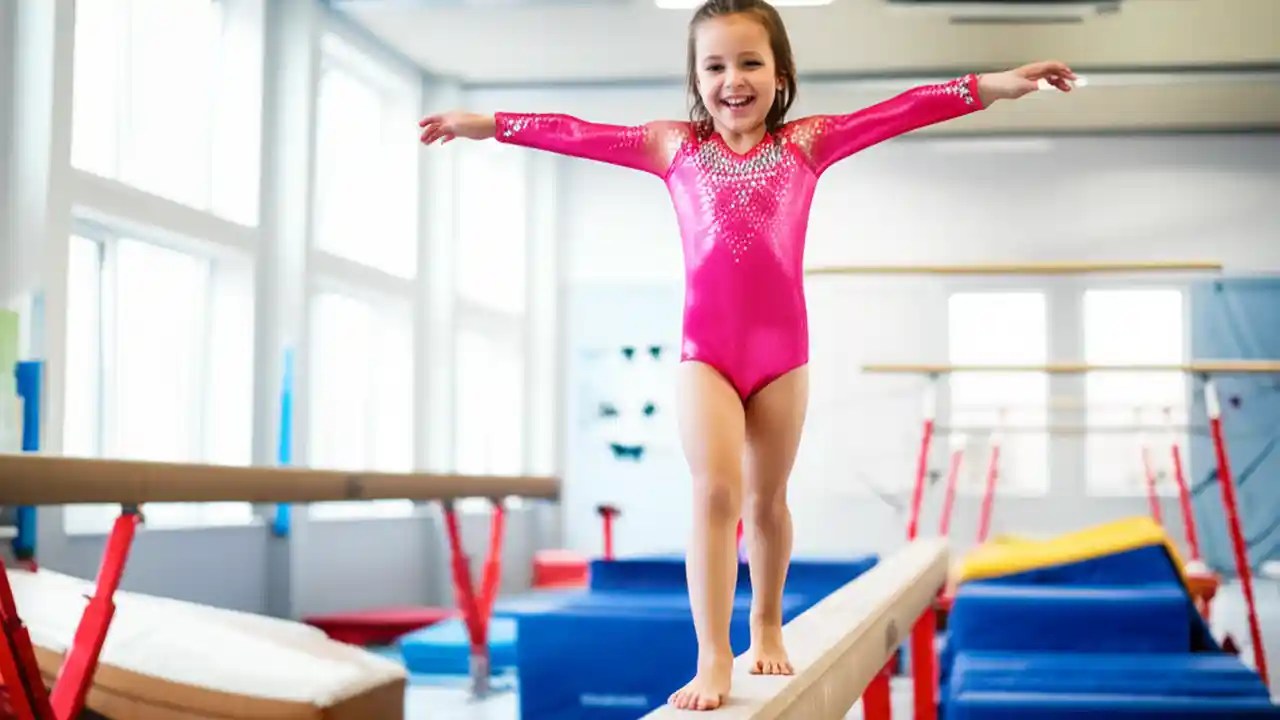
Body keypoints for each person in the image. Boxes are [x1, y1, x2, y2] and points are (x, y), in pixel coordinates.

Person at [419, 0, 1075, 710]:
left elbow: (902, 110)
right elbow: (576, 133)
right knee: (715, 493)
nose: (734, 79)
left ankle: (766, 625)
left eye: (750, 62)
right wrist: (488, 124)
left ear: (781, 73)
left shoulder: (807, 143)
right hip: (705, 353)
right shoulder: (674, 148)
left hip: (783, 358)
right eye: (716, 65)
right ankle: (712, 655)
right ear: (696, 79)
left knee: (767, 504)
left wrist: (993, 85)